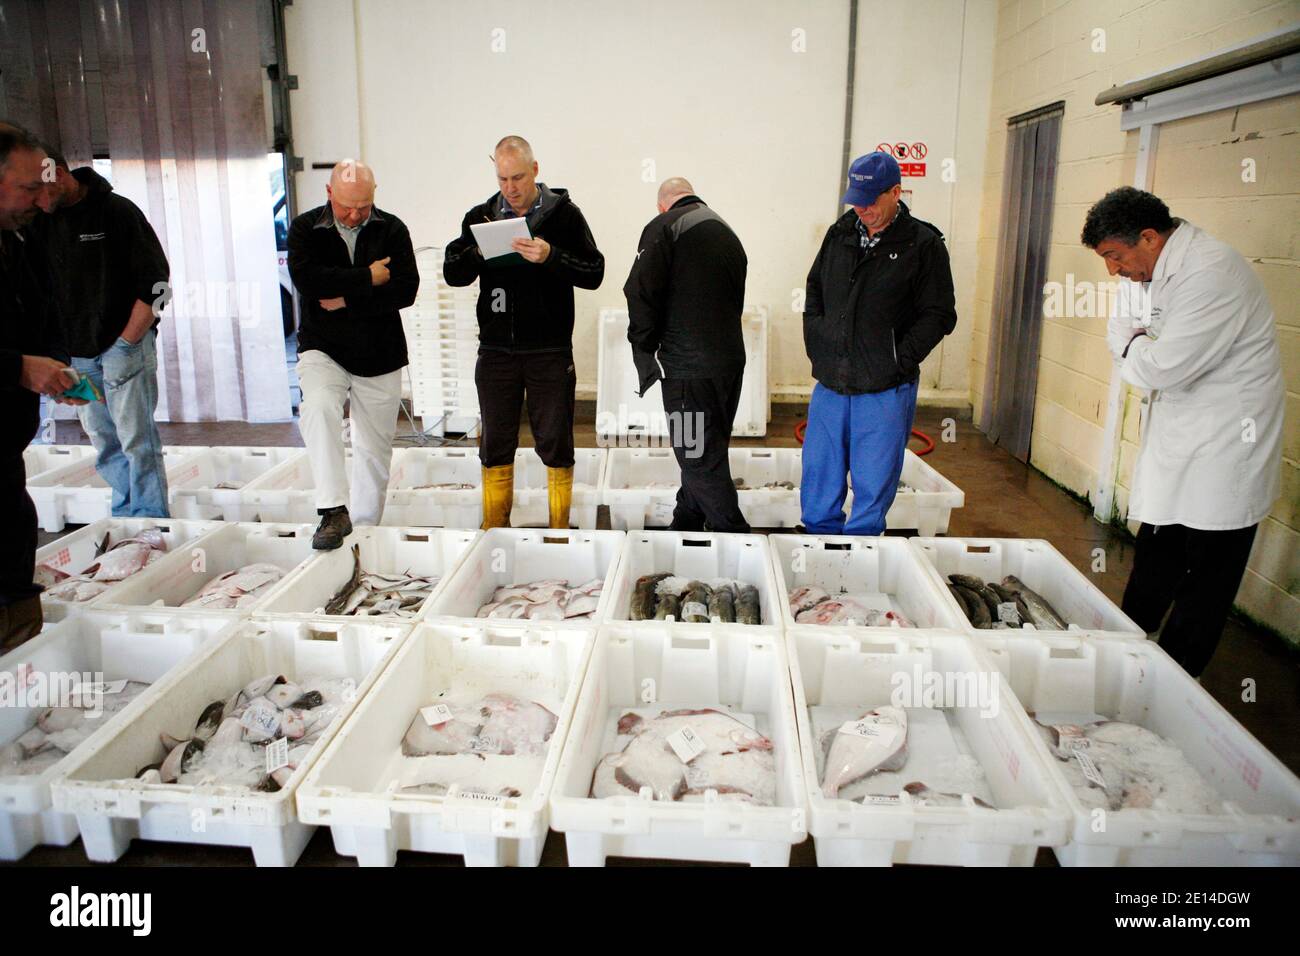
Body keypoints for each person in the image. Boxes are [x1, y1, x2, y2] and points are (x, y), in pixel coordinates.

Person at [1082, 187, 1284, 678]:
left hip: (1226, 441)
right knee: (1158, 550)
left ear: (1148, 238)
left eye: (1114, 256)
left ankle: (1176, 680)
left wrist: (1138, 350)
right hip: (1178, 432)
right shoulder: (1146, 269)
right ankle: (1128, 653)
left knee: (1208, 573)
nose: (1113, 270)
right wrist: (1139, 348)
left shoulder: (1211, 273)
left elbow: (1162, 367)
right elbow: (1123, 332)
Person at [444, 135, 604, 529]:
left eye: (518, 177)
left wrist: (552, 257)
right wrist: (477, 251)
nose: (511, 188)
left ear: (535, 170)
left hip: (549, 351)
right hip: (496, 351)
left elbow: (595, 272)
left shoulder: (565, 216)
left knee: (555, 440)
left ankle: (559, 529)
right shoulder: (480, 216)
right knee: (495, 442)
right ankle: (494, 530)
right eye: (502, 179)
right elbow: (453, 273)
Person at [801, 151, 956, 534]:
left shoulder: (923, 244)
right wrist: (819, 341)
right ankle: (819, 550)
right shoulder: (839, 233)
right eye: (856, 199)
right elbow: (814, 291)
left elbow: (939, 314)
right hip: (831, 382)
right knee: (820, 473)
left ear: (896, 192)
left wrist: (897, 360)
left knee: (874, 481)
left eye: (871, 201)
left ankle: (858, 559)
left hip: (884, 387)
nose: (862, 209)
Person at [33, 147, 171, 518]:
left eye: (39, 190)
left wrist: (127, 342)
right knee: (104, 442)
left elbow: (158, 285)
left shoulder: (117, 212)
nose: (35, 200)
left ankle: (152, 521)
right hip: (75, 355)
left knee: (137, 440)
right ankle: (127, 515)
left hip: (124, 347)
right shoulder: (38, 221)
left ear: (58, 174)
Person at [288, 160, 419, 549]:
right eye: (347, 206)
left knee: (374, 450)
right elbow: (309, 283)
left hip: (379, 352)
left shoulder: (392, 229)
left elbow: (405, 290)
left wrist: (345, 296)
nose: (355, 214)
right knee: (319, 407)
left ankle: (364, 532)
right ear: (329, 193)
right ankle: (332, 511)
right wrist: (368, 278)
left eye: (364, 206)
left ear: (374, 193)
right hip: (322, 346)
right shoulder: (305, 229)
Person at [0, 124, 85, 651]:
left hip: (7, 444)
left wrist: (57, 367)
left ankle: (19, 663)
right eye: (30, 188)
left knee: (13, 536)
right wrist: (17, 368)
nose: (42, 200)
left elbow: (42, 316)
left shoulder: (19, 241)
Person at [624, 177, 749, 532]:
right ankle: (687, 523)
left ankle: (738, 539)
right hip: (728, 366)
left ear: (662, 204)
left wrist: (644, 349)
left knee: (697, 458)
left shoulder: (663, 227)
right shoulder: (725, 230)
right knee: (707, 453)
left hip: (687, 372)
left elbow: (640, 292)